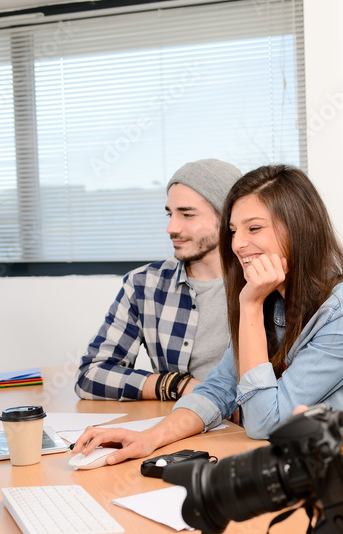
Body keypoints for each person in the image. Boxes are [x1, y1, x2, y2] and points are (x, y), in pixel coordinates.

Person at [74, 165, 343, 482]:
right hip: (323, 478)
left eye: (254, 228)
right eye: (232, 230)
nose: (238, 244)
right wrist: (149, 437)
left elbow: (264, 421)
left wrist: (250, 304)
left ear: (299, 228)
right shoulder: (273, 299)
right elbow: (217, 389)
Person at [75, 158, 241, 401]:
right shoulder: (144, 285)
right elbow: (90, 375)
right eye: (170, 214)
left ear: (228, 218)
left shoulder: (264, 282)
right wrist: (175, 385)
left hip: (247, 432)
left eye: (187, 214)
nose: (171, 227)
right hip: (178, 427)